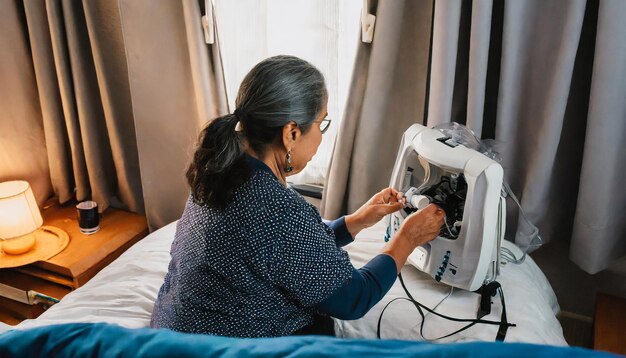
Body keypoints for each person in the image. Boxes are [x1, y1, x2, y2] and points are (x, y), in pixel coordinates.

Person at [150, 55, 445, 337]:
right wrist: (408, 238)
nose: (320, 137)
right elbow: (354, 298)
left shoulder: (218, 169)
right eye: (321, 124)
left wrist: (355, 222)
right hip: (226, 345)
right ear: (291, 133)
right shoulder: (276, 209)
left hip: (173, 332)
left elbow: (278, 250)